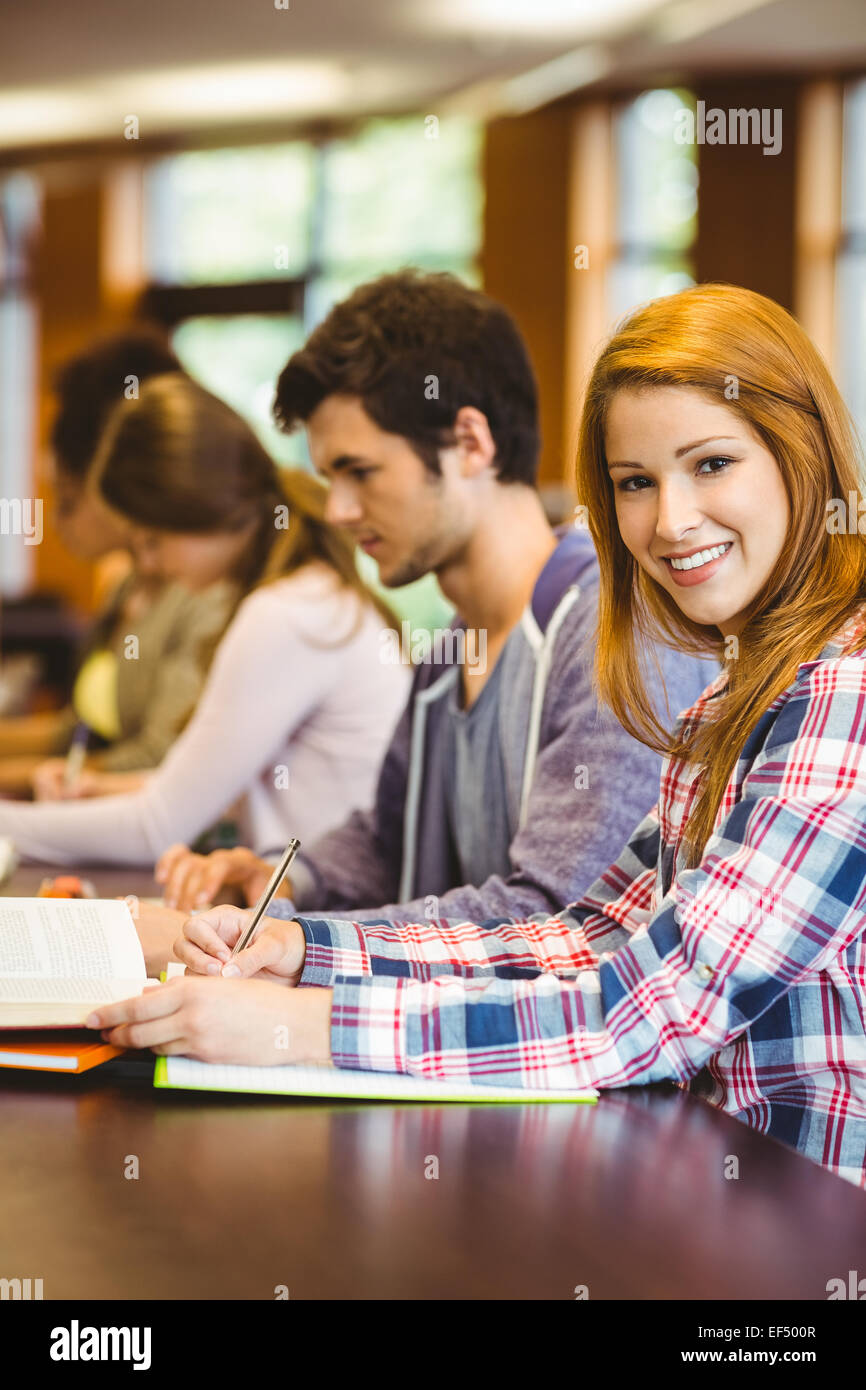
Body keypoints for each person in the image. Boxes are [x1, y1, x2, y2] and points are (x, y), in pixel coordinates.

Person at [95, 283, 866, 1188]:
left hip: (802, 1238)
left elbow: (650, 1008)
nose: (670, 521)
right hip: (696, 1193)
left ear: (802, 454)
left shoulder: (841, 694)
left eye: (711, 465)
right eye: (635, 484)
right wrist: (305, 952)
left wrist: (304, 1026)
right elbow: (586, 936)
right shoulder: (732, 704)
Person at [150, 269, 712, 926]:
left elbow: (560, 919)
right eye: (329, 476)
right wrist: (280, 878)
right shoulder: (451, 648)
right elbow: (389, 843)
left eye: (359, 471)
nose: (337, 508)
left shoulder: (615, 631)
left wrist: (279, 938)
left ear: (469, 444)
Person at [0, 373, 409, 862]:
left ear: (202, 511)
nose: (148, 564)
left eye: (152, 540)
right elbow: (208, 789)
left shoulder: (288, 614)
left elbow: (157, 828)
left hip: (326, 915)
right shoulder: (304, 594)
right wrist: (106, 788)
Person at [0, 328, 232, 797]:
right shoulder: (126, 588)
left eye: (66, 498)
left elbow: (158, 761)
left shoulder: (206, 591)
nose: (57, 521)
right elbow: (79, 732)